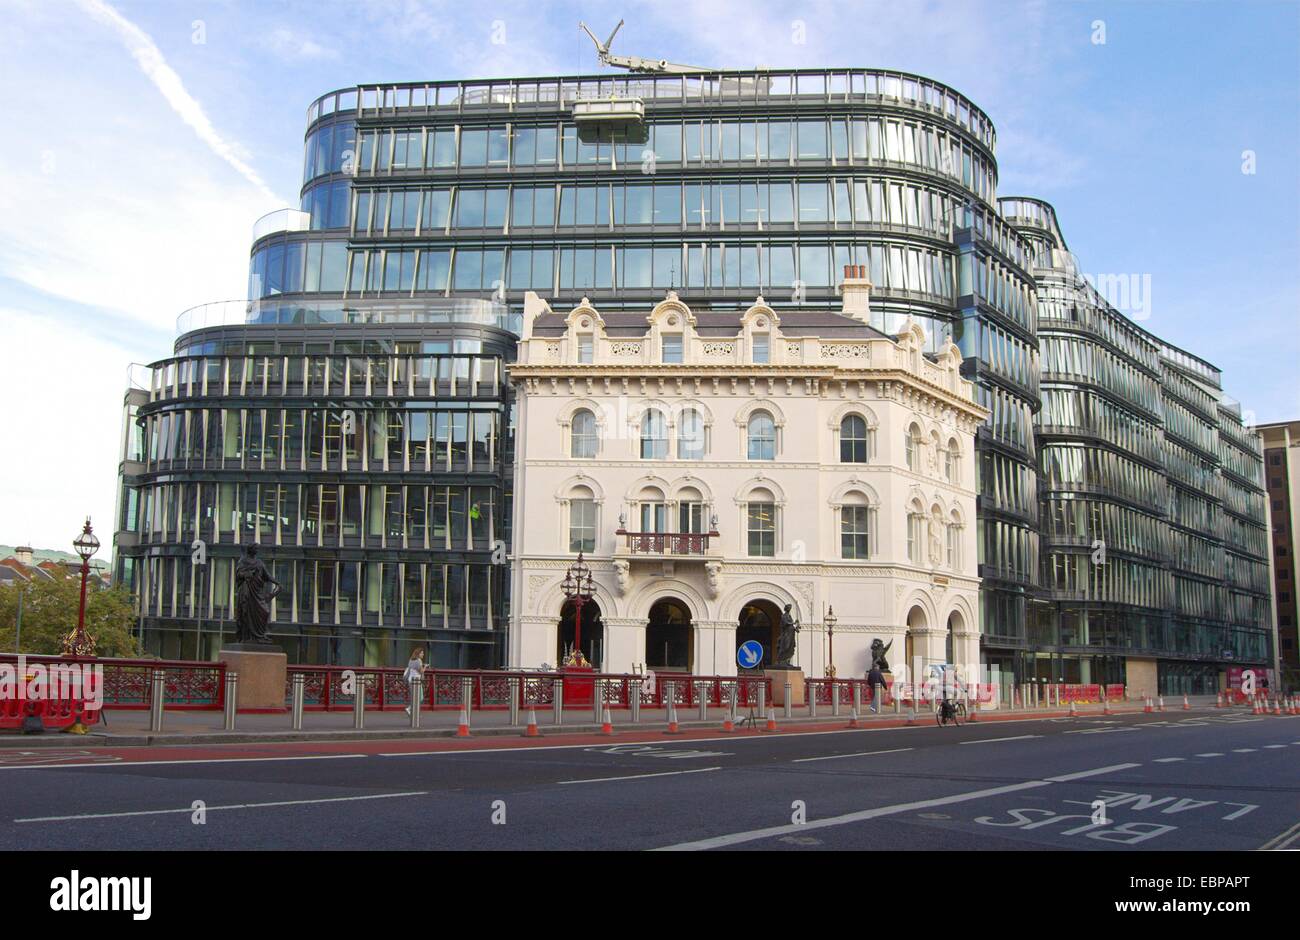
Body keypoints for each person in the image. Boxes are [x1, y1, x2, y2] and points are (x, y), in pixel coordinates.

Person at [403, 648, 426, 717]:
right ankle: (410, 709)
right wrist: (425, 667)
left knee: (414, 697)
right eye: (422, 653)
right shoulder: (419, 661)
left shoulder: (411, 660)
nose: (423, 654)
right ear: (418, 654)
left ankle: (414, 713)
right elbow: (421, 671)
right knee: (420, 697)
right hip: (417, 681)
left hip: (410, 680)